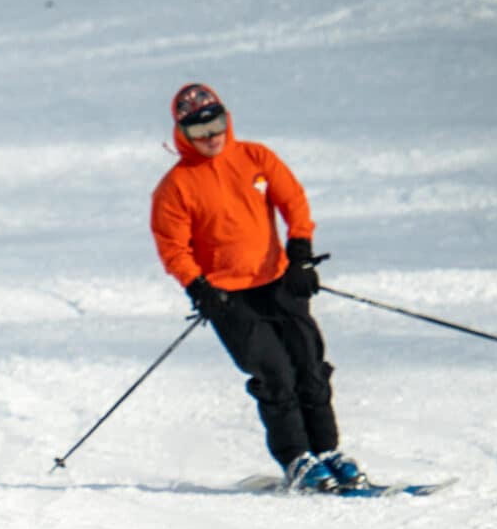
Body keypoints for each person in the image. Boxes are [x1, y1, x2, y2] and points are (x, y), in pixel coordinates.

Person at [150, 83, 365, 492]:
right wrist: (199, 287)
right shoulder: (175, 187)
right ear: (183, 134)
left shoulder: (255, 157)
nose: (210, 138)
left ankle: (327, 451)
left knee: (310, 367)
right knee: (275, 374)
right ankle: (297, 459)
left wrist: (299, 252)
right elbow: (172, 247)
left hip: (279, 283)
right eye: (198, 132)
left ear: (226, 119)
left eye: (215, 125)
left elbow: (293, 202)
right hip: (228, 298)